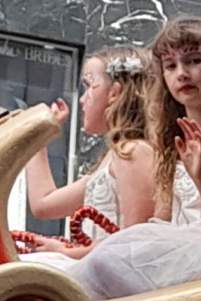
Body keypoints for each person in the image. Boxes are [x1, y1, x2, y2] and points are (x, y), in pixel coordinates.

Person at [65, 16, 201, 300]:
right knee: (95, 267)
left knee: (105, 266)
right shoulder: (171, 141)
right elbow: (162, 221)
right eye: (171, 66)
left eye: (194, 61)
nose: (182, 74)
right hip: (176, 252)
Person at [21, 46, 157, 270]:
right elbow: (43, 204)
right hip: (92, 266)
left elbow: (134, 242)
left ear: (115, 93)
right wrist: (39, 139)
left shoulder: (133, 152)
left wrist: (66, 251)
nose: (83, 99)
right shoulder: (114, 158)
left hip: (106, 278)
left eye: (89, 86)